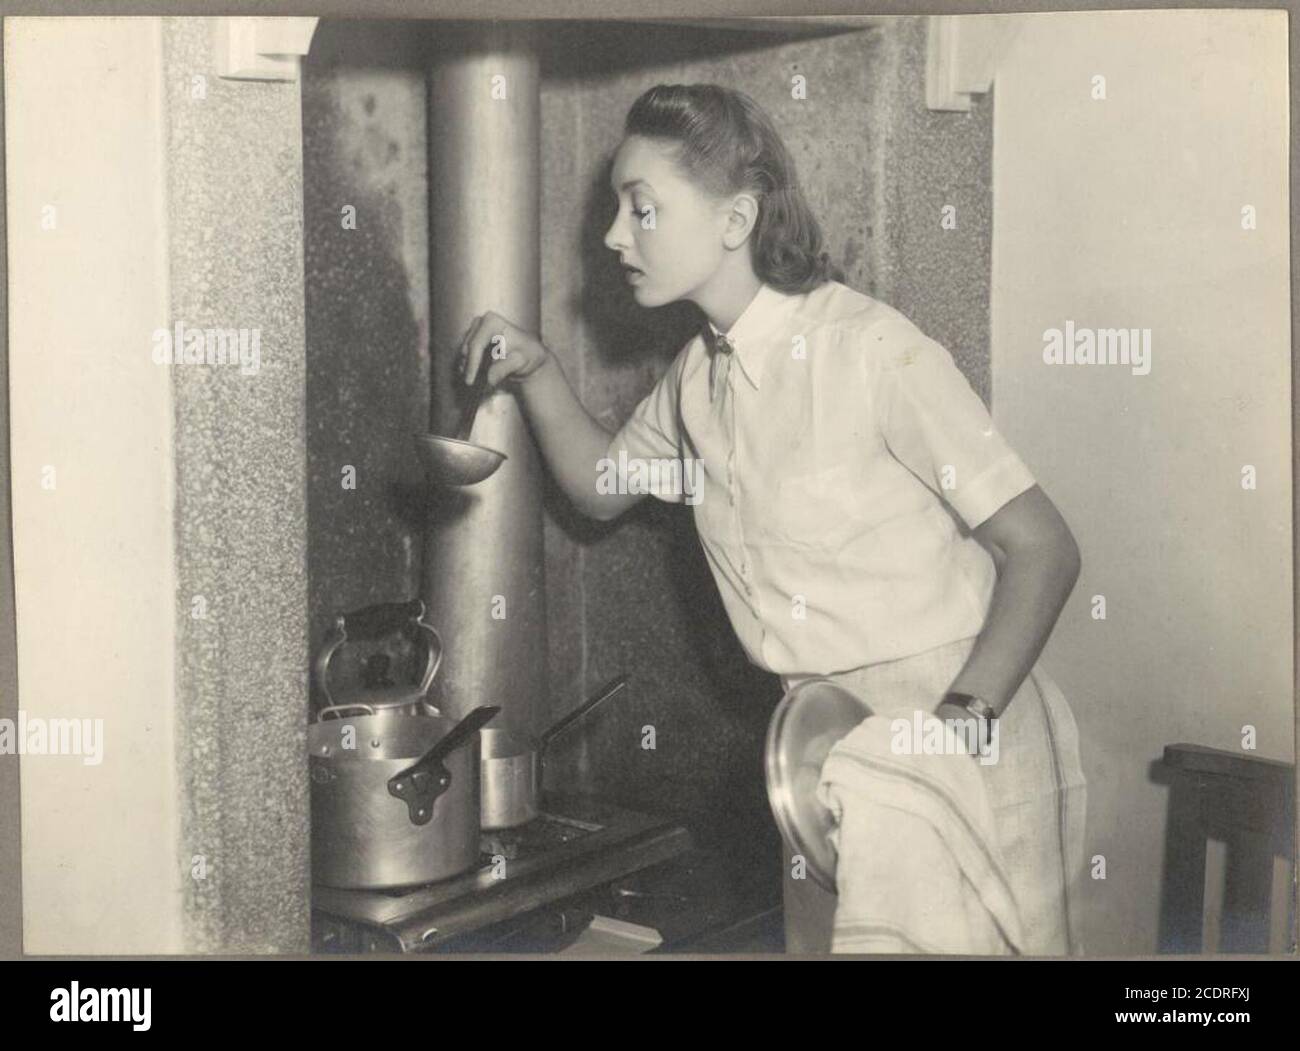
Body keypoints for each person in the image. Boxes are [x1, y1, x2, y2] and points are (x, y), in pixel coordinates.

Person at [457, 83, 1087, 954]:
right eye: (615, 207)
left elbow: (1045, 549)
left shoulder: (872, 351)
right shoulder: (696, 378)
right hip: (819, 744)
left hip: (961, 718)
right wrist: (536, 371)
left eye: (642, 209)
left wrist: (955, 728)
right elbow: (601, 484)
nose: (612, 236)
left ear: (735, 219)